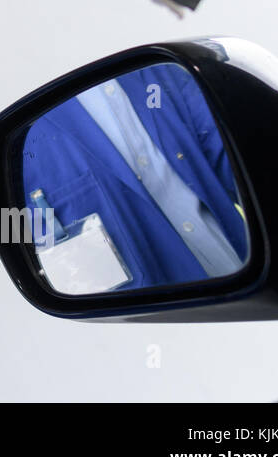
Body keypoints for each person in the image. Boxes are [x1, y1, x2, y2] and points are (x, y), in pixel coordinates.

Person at [22, 62, 247, 292]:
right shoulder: (13, 142)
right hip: (155, 323)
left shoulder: (157, 66)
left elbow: (242, 164)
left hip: (247, 288)